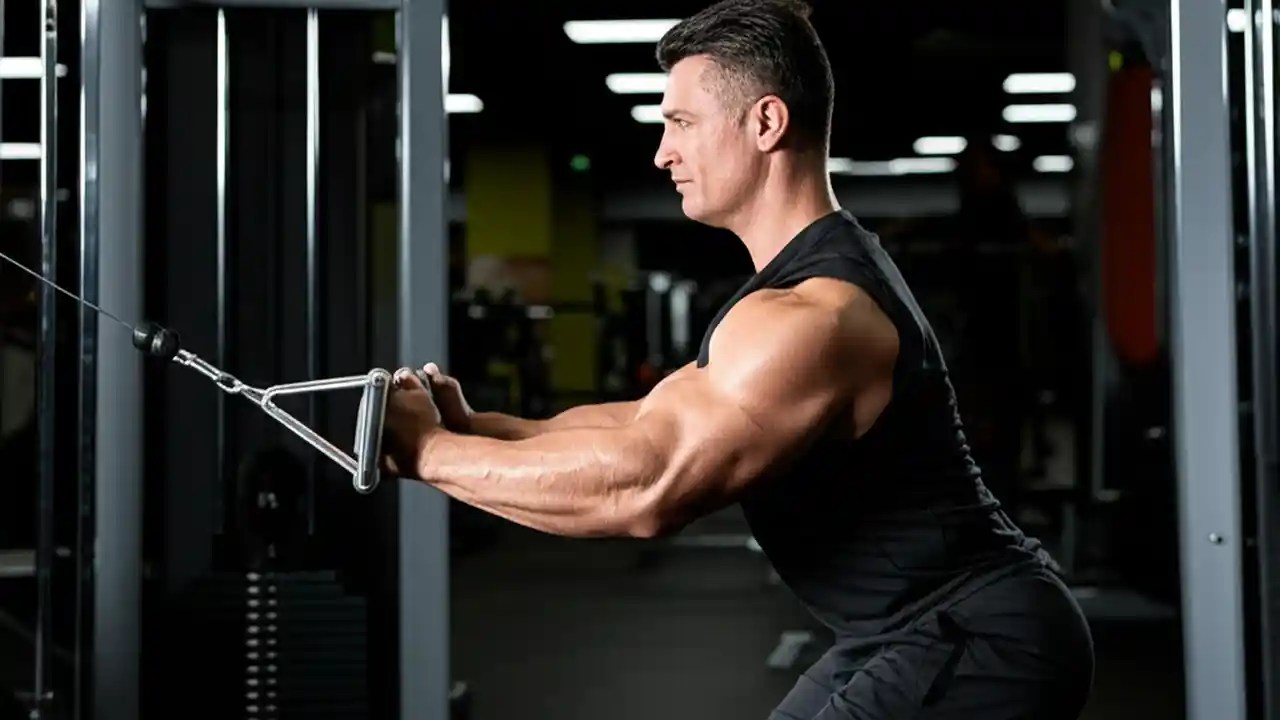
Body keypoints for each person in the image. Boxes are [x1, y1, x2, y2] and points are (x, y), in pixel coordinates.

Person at [380, 1, 1094, 717]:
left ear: (765, 123)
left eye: (681, 122)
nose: (663, 151)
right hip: (896, 629)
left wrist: (428, 452)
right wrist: (477, 430)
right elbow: (641, 423)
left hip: (976, 638)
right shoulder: (789, 290)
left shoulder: (812, 318)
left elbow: (645, 489)